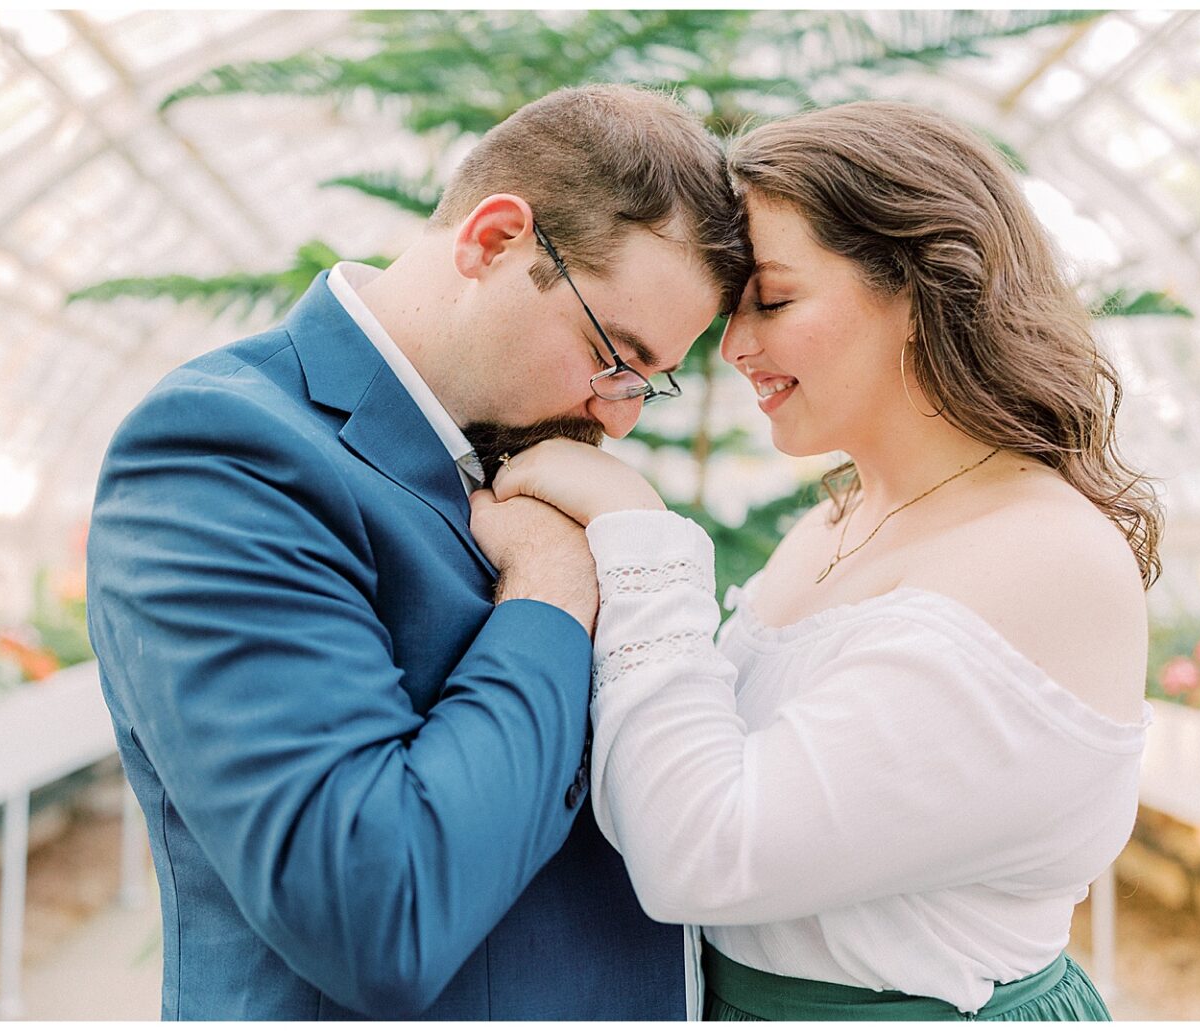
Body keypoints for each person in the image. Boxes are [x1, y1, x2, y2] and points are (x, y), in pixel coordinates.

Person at [476, 100, 1163, 1021]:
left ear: (922, 290)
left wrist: (638, 534)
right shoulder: (837, 517)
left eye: (775, 299)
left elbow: (706, 852)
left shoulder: (1044, 557)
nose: (734, 347)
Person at [85, 83, 749, 1020]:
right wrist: (553, 593)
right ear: (495, 240)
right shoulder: (224, 451)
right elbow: (378, 908)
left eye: (651, 380)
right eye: (615, 353)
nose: (621, 414)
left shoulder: (528, 451)